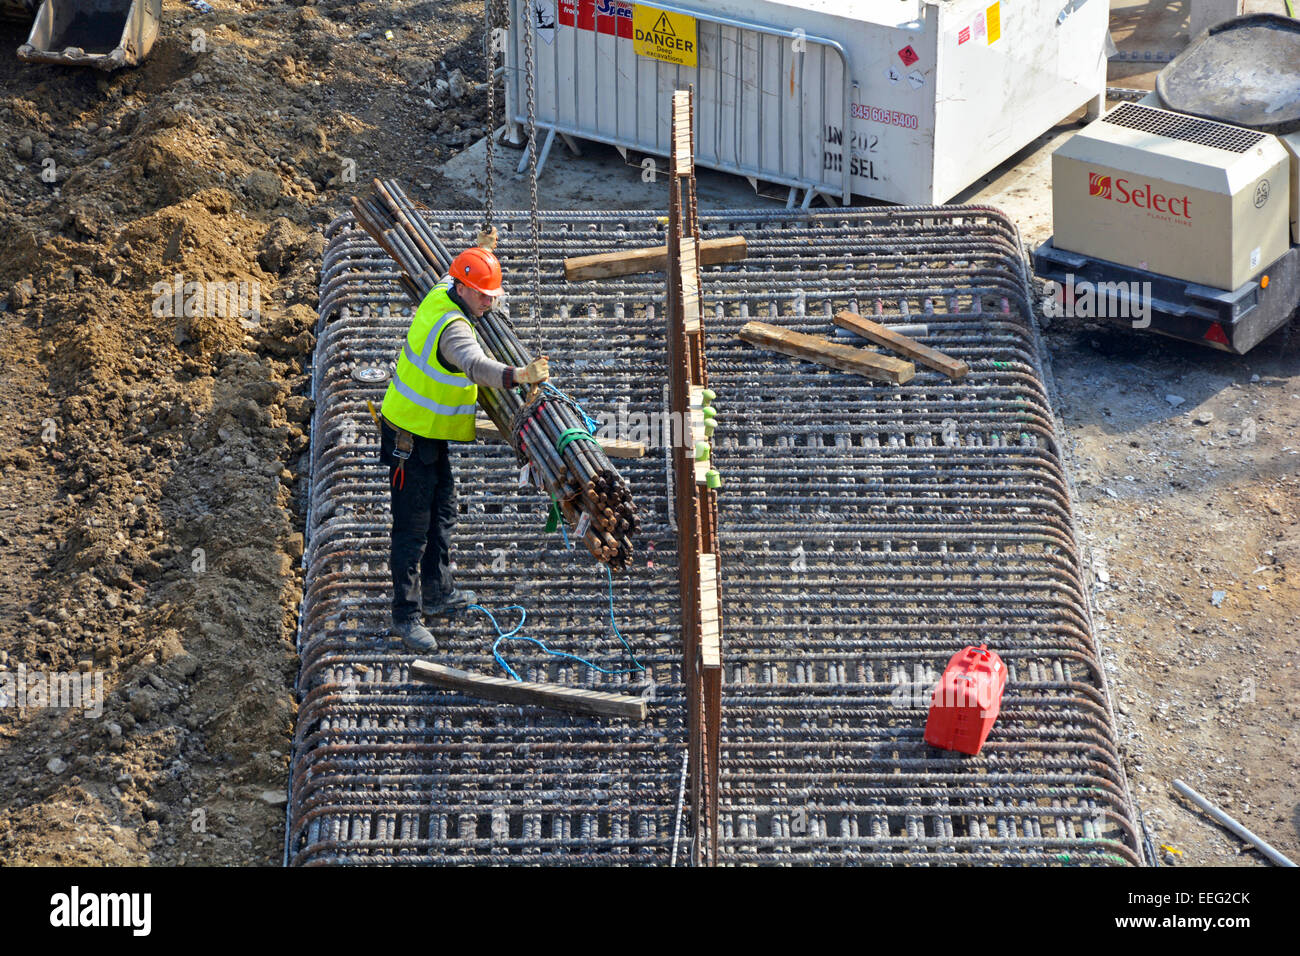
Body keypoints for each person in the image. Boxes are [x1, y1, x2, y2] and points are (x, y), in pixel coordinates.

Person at [378, 228, 549, 653]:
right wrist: (518, 376)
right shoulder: (453, 329)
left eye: (492, 294)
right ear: (463, 288)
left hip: (430, 437)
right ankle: (406, 614)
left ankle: (438, 593)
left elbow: (460, 268)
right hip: (410, 437)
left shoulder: (445, 288)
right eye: (483, 295)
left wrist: (484, 248)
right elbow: (475, 365)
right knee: (412, 528)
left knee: (443, 514)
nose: (490, 303)